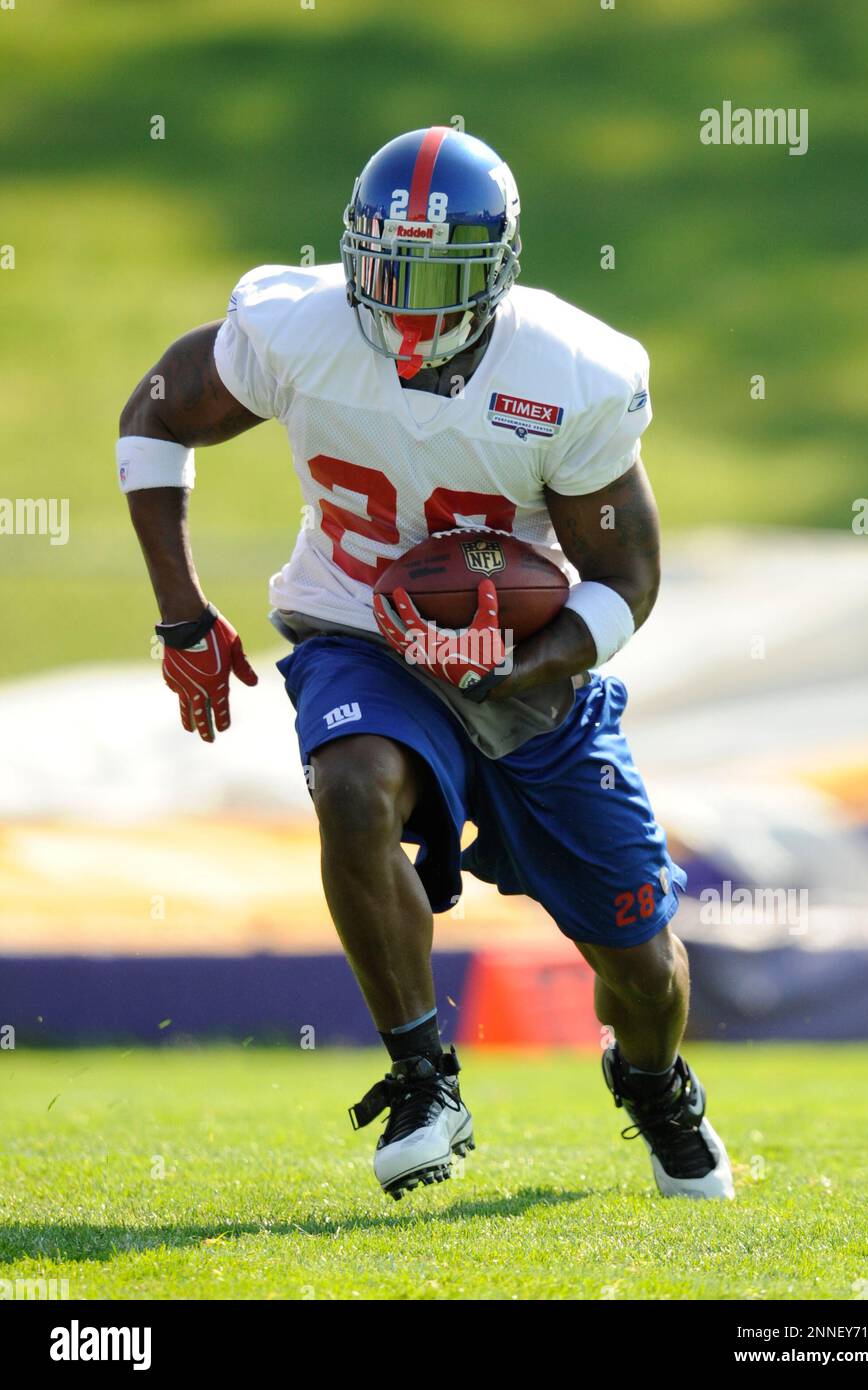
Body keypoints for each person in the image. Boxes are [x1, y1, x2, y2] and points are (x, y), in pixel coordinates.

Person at [119, 126, 734, 1202]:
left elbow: (625, 578)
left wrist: (525, 662)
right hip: (356, 620)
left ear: (496, 270)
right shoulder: (296, 325)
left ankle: (651, 1085)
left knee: (641, 965)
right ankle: (422, 1078)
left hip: (527, 666)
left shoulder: (572, 372)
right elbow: (155, 416)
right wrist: (182, 616)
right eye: (384, 272)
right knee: (352, 785)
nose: (403, 307)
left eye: (436, 278)